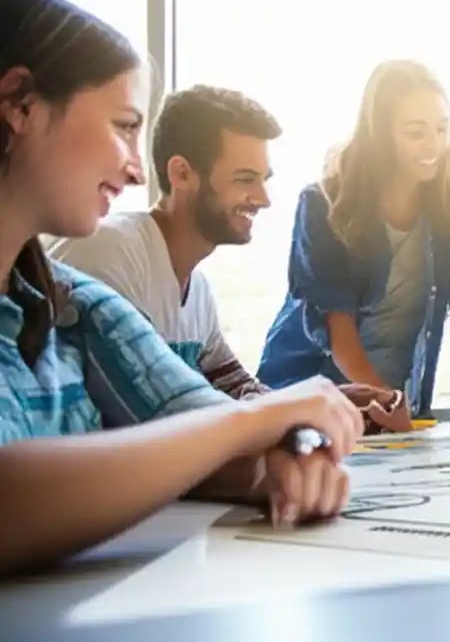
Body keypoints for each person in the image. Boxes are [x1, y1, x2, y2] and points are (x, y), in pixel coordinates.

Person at [0, 0, 363, 577]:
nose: (134, 167)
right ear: (19, 105)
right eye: (122, 125)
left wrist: (278, 456)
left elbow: (198, 424)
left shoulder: (78, 305)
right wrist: (256, 424)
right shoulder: (111, 260)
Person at [49, 85, 409, 432]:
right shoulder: (111, 253)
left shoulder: (197, 291)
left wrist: (336, 404)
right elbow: (153, 413)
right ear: (182, 174)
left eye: (263, 179)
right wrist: (303, 413)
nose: (263, 198)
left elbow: (241, 397)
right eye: (245, 179)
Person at [257, 61, 450, 424]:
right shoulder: (323, 204)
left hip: (394, 402)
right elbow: (338, 330)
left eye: (442, 129)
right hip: (314, 394)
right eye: (416, 132)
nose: (434, 145)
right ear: (381, 133)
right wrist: (389, 404)